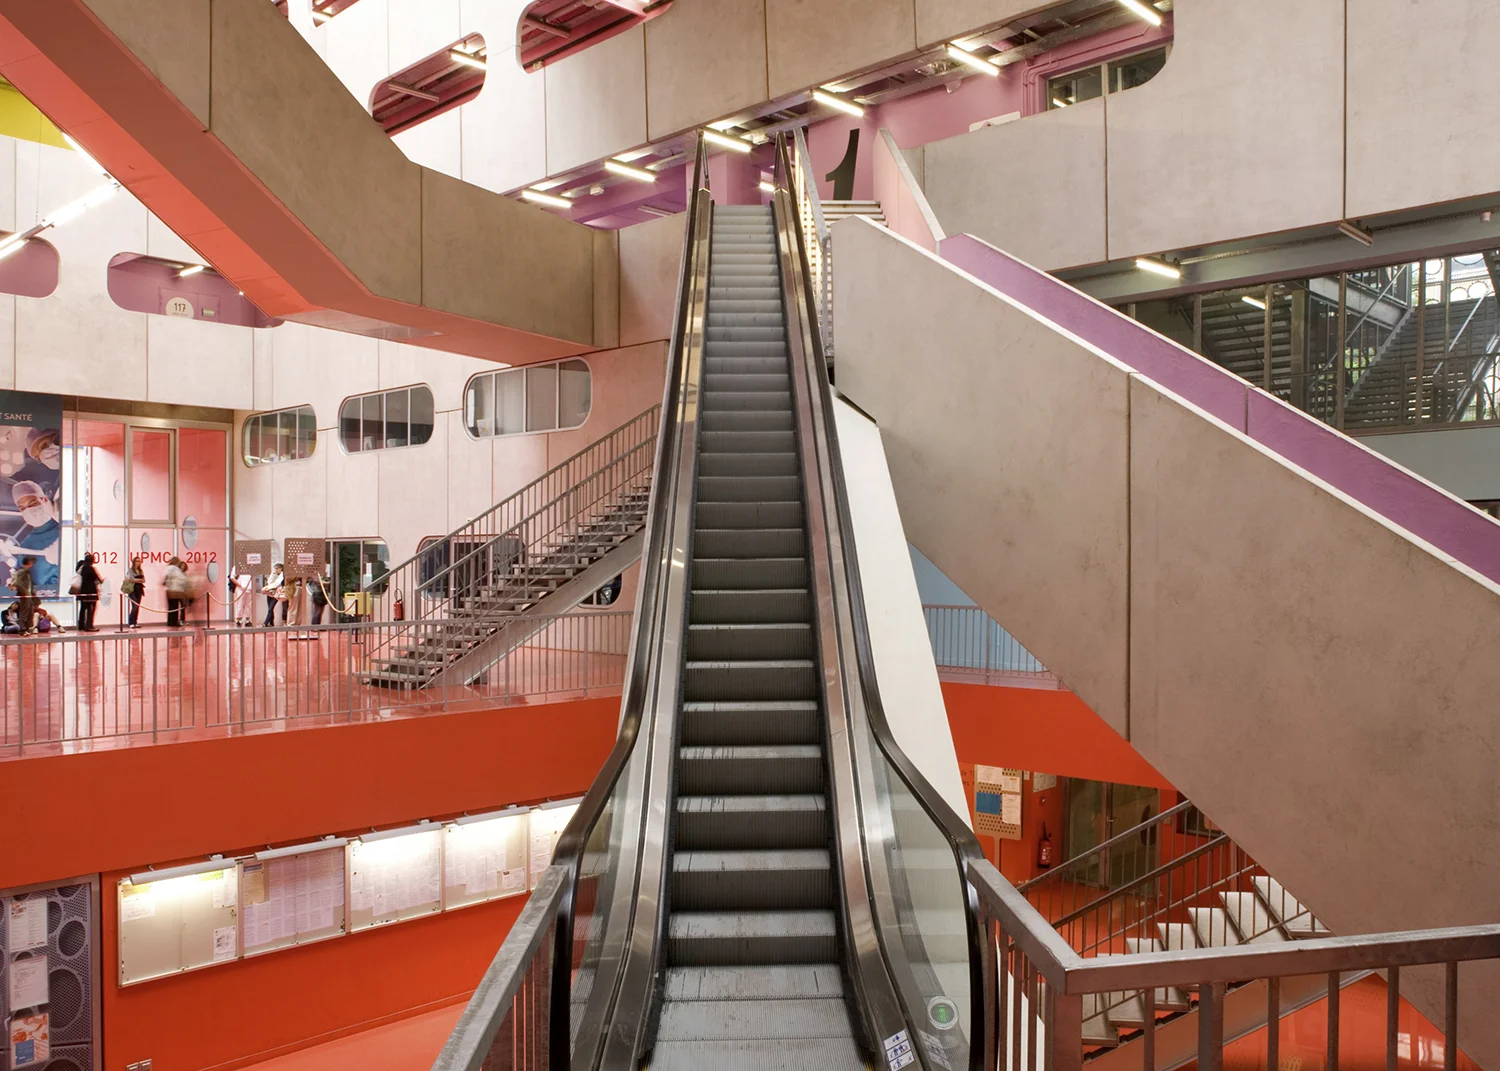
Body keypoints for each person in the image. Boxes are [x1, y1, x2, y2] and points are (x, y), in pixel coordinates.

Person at [74, 555, 101, 632]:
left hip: (82, 591)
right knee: (91, 608)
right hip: (91, 591)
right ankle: (89, 625)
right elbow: (97, 579)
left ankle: (81, 626)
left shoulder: (81, 567)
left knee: (83, 608)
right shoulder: (90, 568)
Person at [12, 555, 37, 635]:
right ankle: (22, 630)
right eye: (32, 562)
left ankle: (27, 629)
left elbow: (30, 585)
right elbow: (17, 583)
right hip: (25, 595)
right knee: (24, 612)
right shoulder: (21, 572)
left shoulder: (27, 572)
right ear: (30, 562)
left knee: (30, 612)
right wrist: (25, 592)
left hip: (29, 595)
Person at [163, 556, 189, 627]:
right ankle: (174, 622)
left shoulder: (167, 568)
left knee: (170, 607)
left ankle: (170, 622)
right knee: (175, 607)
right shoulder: (175, 569)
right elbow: (182, 578)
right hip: (176, 590)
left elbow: (165, 578)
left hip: (169, 590)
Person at [121, 555, 145, 629]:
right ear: (134, 562)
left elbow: (144, 580)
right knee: (134, 606)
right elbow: (131, 579)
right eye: (137, 561)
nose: (138, 562)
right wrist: (138, 580)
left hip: (139, 589)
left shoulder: (141, 571)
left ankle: (135, 622)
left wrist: (138, 580)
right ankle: (131, 622)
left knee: (137, 606)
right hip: (132, 589)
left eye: (139, 561)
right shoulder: (130, 570)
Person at [262, 563, 285, 627]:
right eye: (275, 568)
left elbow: (277, 584)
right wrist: (273, 576)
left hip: (276, 593)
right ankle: (271, 622)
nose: (276, 570)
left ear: (281, 569)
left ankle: (265, 622)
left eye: (277, 568)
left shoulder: (282, 575)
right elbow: (269, 582)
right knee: (270, 608)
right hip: (270, 592)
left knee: (271, 607)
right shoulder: (273, 574)